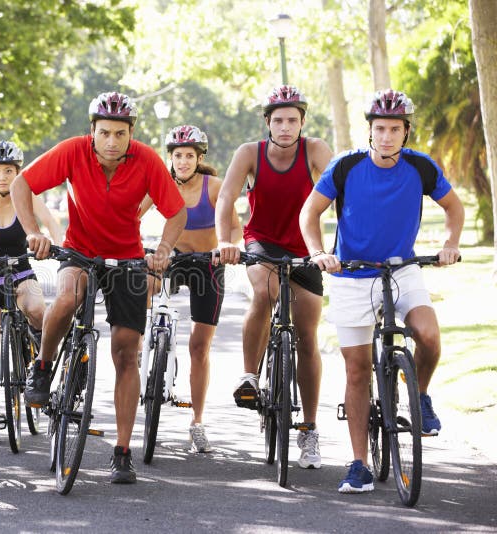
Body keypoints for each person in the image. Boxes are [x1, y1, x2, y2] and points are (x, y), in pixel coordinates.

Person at [11, 91, 187, 484]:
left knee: (126, 352)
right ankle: (42, 367)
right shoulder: (73, 151)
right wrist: (34, 232)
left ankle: (121, 452)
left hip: (126, 258)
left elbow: (176, 211)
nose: (111, 141)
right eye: (104, 132)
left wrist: (162, 250)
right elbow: (23, 184)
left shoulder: (146, 161)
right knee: (69, 295)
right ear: (92, 131)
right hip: (80, 250)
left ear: (131, 134)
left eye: (120, 134)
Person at [299, 89, 464, 493]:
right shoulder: (346, 165)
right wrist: (320, 252)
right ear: (369, 131)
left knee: (428, 335)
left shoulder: (420, 167)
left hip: (402, 270)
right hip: (352, 275)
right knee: (357, 371)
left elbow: (454, 209)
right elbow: (310, 213)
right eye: (380, 129)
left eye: (394, 129)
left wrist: (450, 243)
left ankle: (419, 397)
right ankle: (358, 464)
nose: (387, 136)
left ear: (406, 132)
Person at [215, 85, 333, 469]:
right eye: (278, 120)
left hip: (305, 247)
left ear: (302, 123)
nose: (285, 127)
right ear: (267, 122)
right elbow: (226, 197)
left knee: (307, 334)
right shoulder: (249, 153)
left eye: (292, 120)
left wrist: (341, 246)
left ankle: (310, 429)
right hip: (261, 241)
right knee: (264, 293)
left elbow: (343, 192)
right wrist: (223, 241)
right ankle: (250, 376)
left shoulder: (314, 150)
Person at [139, 125, 240, 453]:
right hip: (174, 258)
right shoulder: (161, 185)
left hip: (208, 265)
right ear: (170, 158)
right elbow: (131, 215)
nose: (183, 161)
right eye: (177, 156)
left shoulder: (215, 187)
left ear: (199, 158)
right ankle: (142, 342)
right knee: (145, 280)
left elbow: (236, 227)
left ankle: (197, 422)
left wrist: (225, 245)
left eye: (189, 156)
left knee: (199, 347)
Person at [0, 140, 62, 445]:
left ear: (18, 173)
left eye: (9, 171)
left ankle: (38, 343)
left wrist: (58, 247)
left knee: (37, 310)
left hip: (21, 272)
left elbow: (53, 224)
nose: (3, 177)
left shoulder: (27, 198)